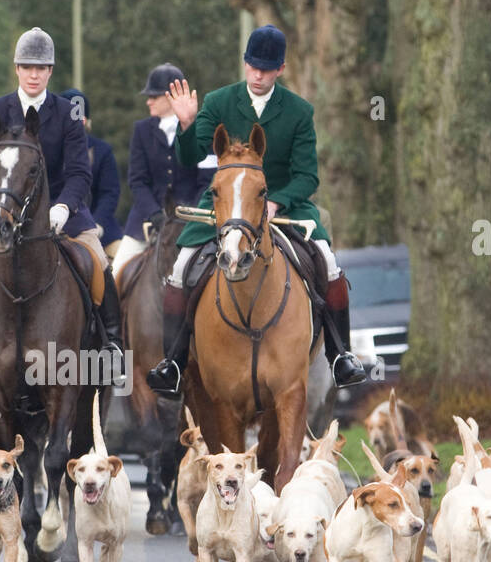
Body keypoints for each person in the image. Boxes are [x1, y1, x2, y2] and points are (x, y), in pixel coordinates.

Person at [145, 24, 367, 397]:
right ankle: (173, 361)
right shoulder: (218, 102)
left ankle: (340, 354)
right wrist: (186, 123)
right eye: (252, 66)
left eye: (266, 68)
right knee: (182, 267)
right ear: (245, 63)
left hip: (283, 206)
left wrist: (277, 200)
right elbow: (189, 157)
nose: (258, 75)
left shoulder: (299, 111)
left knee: (328, 262)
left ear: (280, 69)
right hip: (227, 206)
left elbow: (307, 175)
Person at [0, 27, 123, 390]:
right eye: (27, 67)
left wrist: (64, 208)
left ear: (50, 71)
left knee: (98, 262)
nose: (34, 74)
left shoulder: (68, 113)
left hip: (63, 212)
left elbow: (80, 171)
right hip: (0, 210)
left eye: (42, 68)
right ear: (17, 68)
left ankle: (112, 347)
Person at [109, 63, 215, 284]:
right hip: (147, 220)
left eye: (154, 96)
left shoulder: (203, 130)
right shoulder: (141, 130)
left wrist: (189, 215)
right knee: (116, 273)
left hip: (192, 218)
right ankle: (112, 320)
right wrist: (155, 214)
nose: (148, 101)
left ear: (170, 97)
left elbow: (207, 182)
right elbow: (137, 181)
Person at [58, 88, 121, 256]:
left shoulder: (102, 151)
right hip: (55, 225)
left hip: (99, 227)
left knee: (121, 261)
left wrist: (98, 223)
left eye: (80, 119)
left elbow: (110, 193)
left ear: (86, 121)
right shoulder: (49, 149)